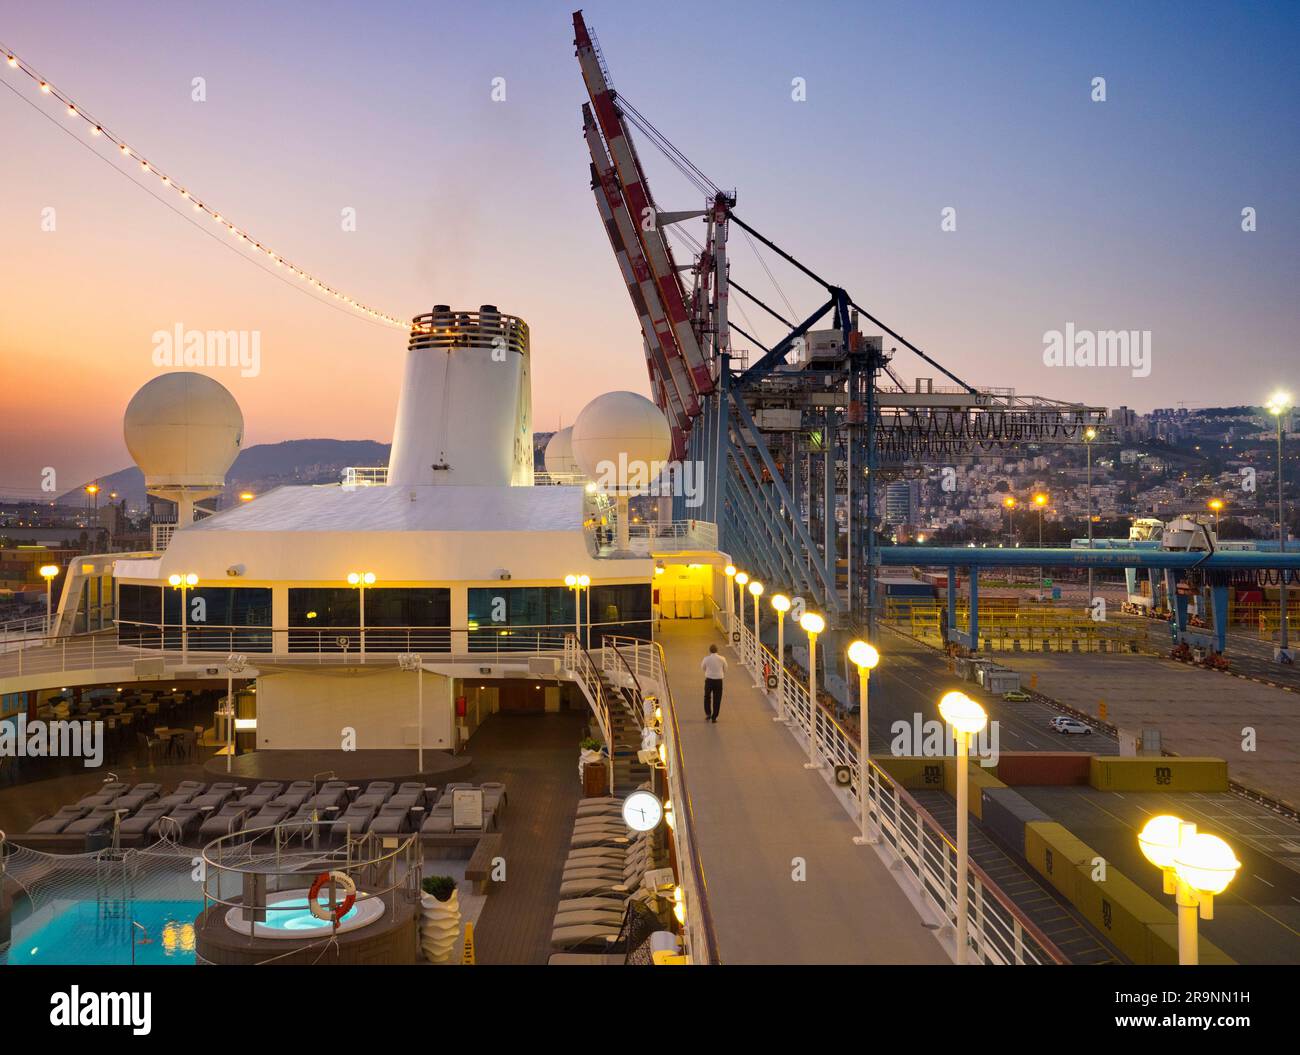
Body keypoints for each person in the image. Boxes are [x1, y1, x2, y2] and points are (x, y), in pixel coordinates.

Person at [700, 644, 727, 722]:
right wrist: (720, 673)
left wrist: (708, 672)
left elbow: (703, 667)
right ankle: (714, 717)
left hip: (709, 680)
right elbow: (725, 668)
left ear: (710, 650)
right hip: (719, 681)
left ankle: (708, 713)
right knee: (717, 699)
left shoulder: (706, 659)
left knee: (707, 697)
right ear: (717, 650)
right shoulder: (722, 659)